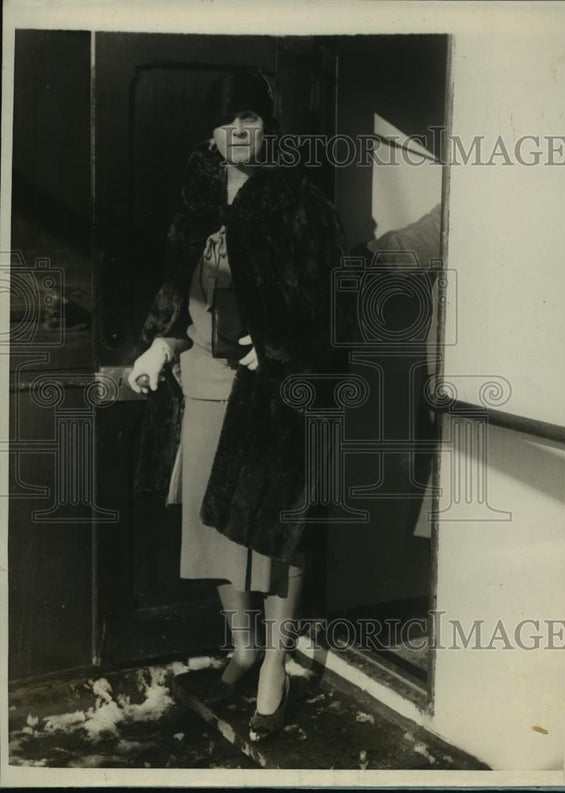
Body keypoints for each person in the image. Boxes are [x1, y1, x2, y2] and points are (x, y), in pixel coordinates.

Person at [128, 70, 346, 741]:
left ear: (268, 127)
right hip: (202, 384)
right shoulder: (196, 200)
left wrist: (277, 348)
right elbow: (176, 289)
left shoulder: (300, 200)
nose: (241, 131)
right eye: (229, 121)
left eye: (251, 118)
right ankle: (244, 647)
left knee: (277, 532)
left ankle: (275, 664)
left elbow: (330, 303)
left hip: (271, 391)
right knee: (216, 528)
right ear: (211, 134)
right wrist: (160, 344)